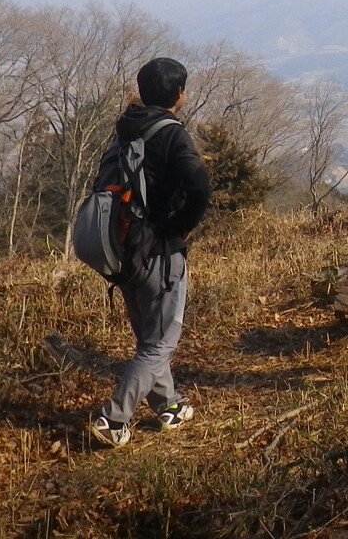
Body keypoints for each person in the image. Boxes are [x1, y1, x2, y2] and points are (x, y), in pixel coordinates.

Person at [89, 57, 212, 447]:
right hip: (159, 249)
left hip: (123, 248)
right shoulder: (172, 134)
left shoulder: (126, 129)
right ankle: (113, 418)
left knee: (150, 334)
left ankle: (168, 405)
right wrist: (182, 226)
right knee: (159, 342)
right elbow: (200, 188)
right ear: (179, 94)